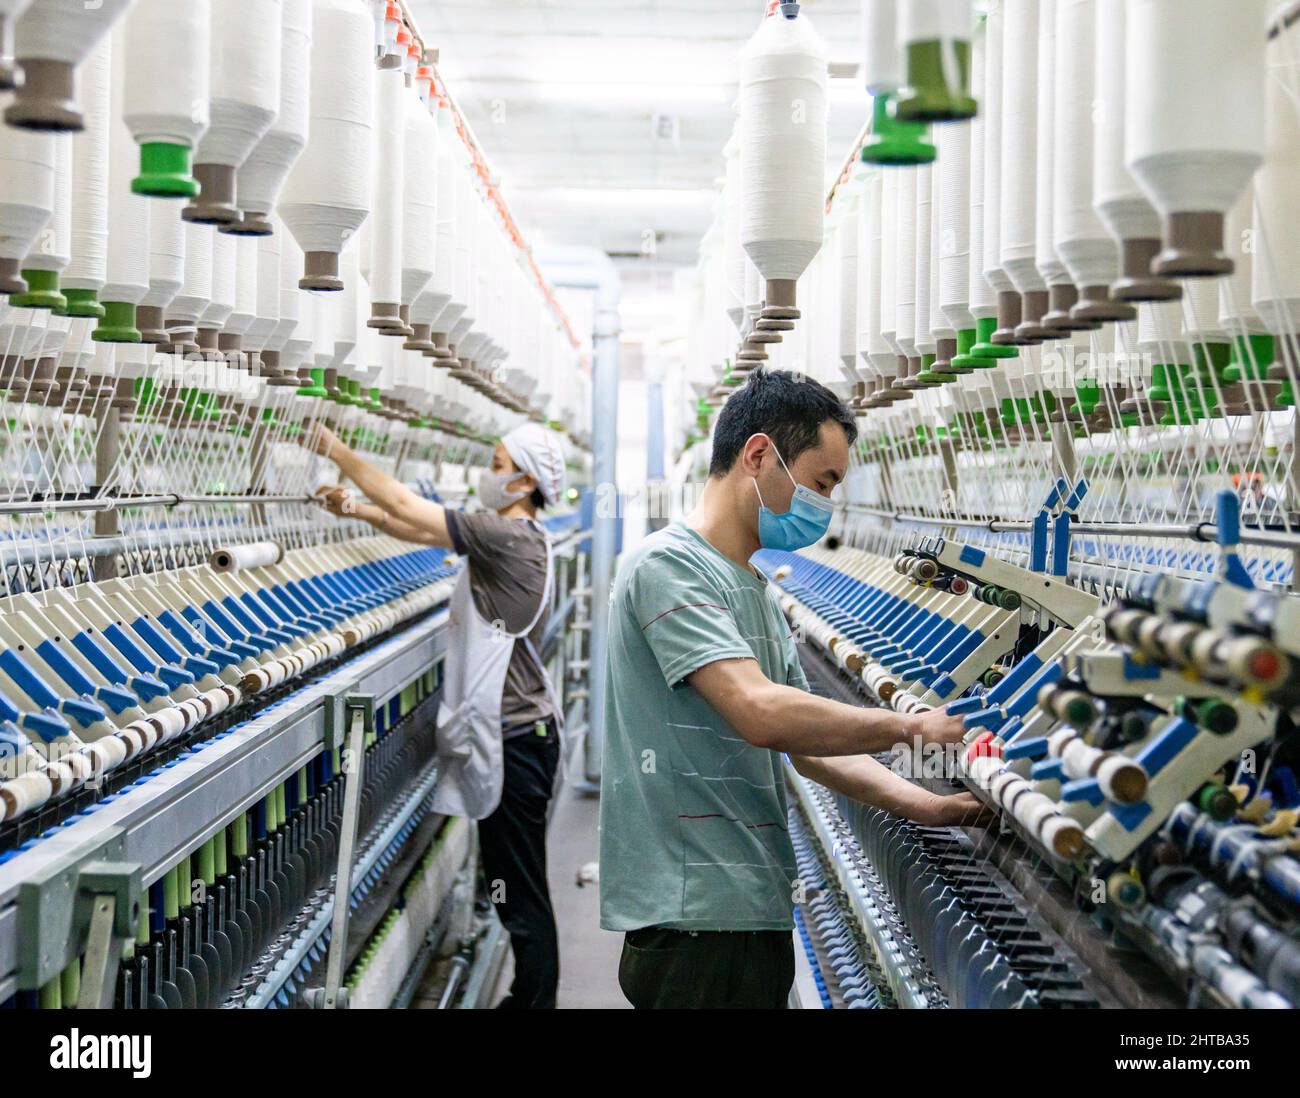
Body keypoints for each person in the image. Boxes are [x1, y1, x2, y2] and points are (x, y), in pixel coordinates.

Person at [599, 369, 984, 1010]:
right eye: (822, 482)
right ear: (758, 456)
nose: (825, 505)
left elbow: (808, 746)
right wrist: (912, 727)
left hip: (748, 914)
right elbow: (761, 713)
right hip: (697, 923)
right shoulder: (668, 567)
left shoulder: (752, 587)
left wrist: (926, 805)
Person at [305, 419, 568, 1010]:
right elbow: (412, 525)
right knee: (513, 884)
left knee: (520, 894)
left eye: (498, 463)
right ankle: (530, 998)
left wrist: (334, 447)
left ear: (525, 480)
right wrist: (357, 511)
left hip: (518, 740)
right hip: (522, 734)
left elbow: (406, 503)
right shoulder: (515, 536)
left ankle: (533, 1004)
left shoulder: (506, 536)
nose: (489, 473)